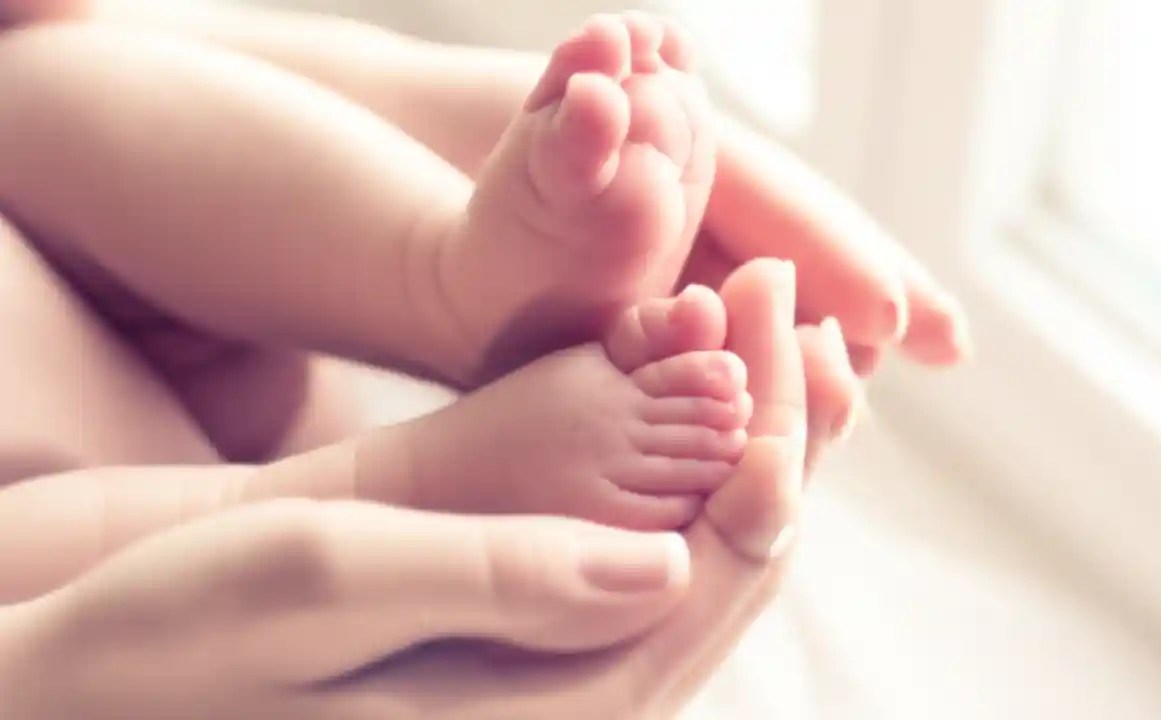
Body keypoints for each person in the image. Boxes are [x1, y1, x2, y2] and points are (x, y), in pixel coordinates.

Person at [0, 2, 970, 717]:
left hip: (185, 312)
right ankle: (397, 477)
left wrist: (386, 91)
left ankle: (454, 286)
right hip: (95, 556)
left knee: (44, 87)